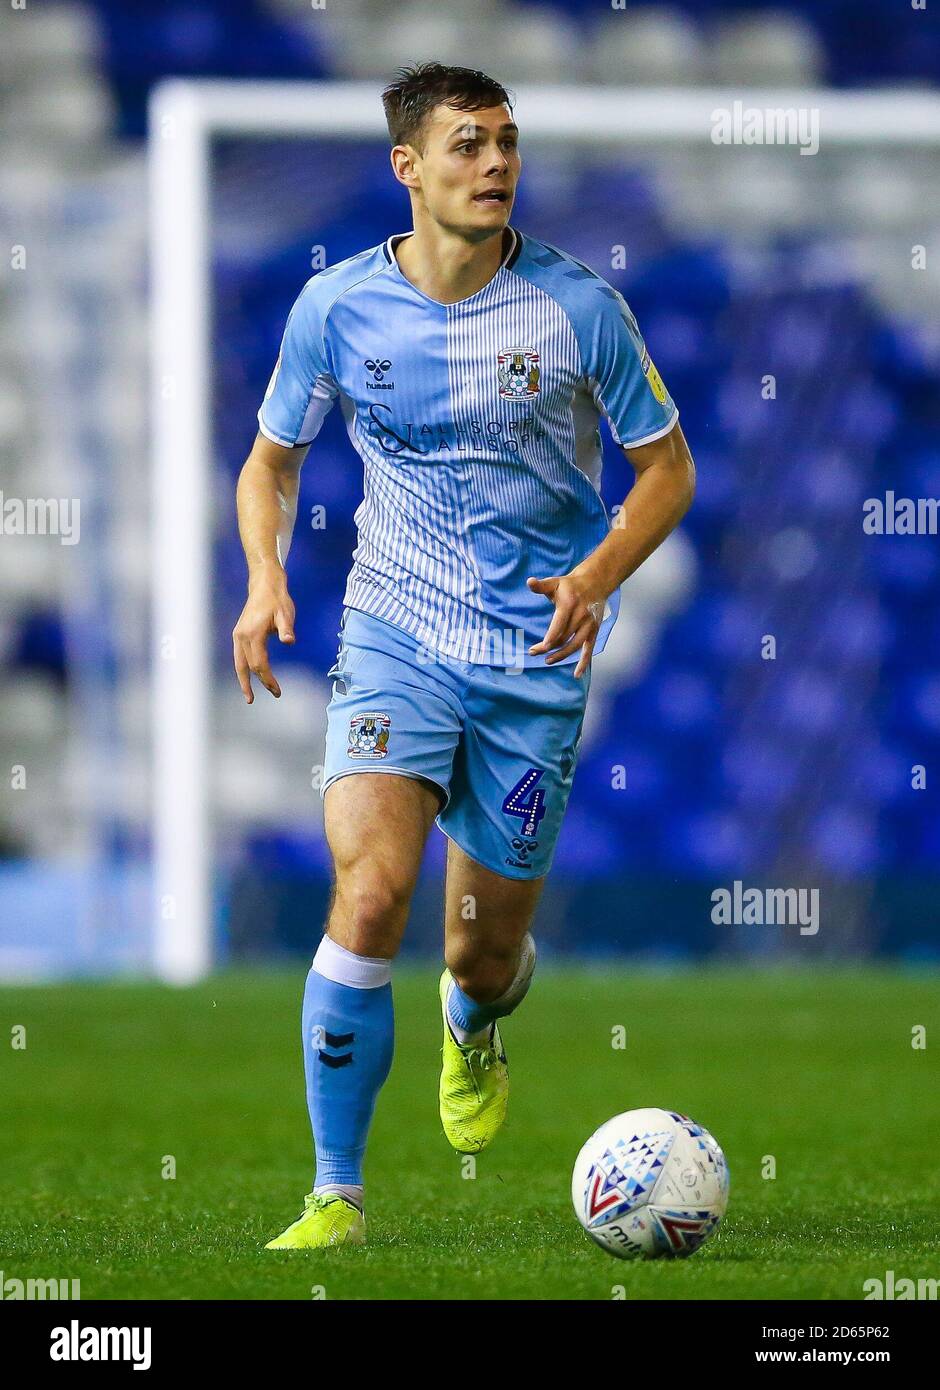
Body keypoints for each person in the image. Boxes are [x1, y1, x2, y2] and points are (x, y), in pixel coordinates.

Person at [232, 62, 695, 1249]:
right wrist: (266, 573)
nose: (494, 164)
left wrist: (594, 575)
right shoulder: (334, 307)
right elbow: (269, 460)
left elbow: (667, 471)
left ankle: (473, 1018)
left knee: (480, 949)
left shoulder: (579, 307)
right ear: (408, 167)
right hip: (393, 637)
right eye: (467, 145)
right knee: (371, 890)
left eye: (506, 143)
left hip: (534, 657)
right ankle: (336, 1191)